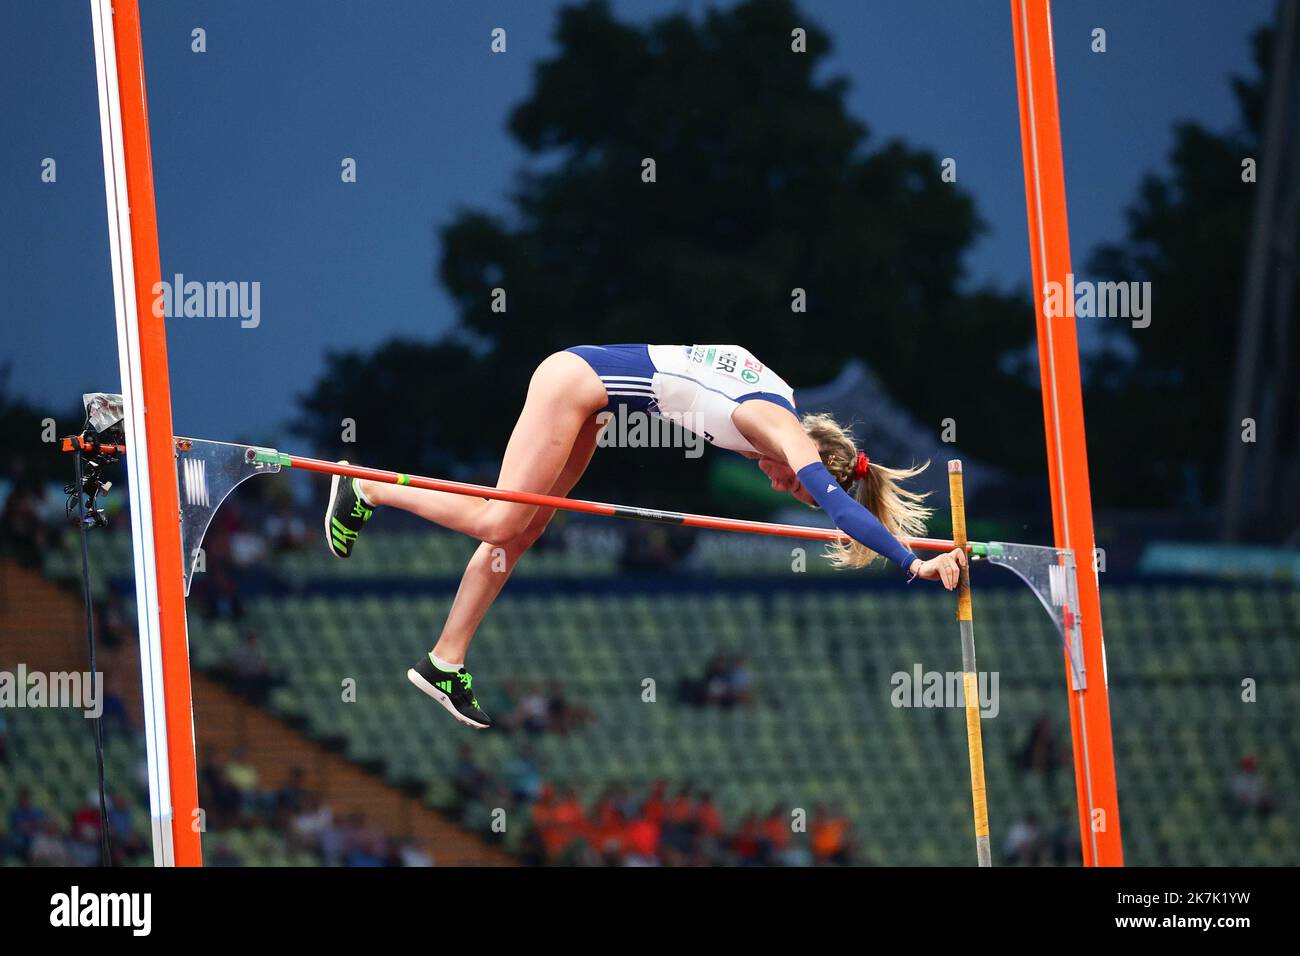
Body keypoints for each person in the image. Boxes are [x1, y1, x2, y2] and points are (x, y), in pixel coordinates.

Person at [324, 344, 966, 728]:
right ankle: (367, 486)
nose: (779, 487)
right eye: (794, 483)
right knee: (501, 518)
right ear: (812, 458)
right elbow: (838, 509)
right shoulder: (779, 426)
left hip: (590, 397)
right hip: (572, 384)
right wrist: (914, 564)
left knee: (521, 533)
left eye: (789, 490)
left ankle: (445, 661)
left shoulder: (779, 402)